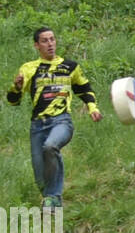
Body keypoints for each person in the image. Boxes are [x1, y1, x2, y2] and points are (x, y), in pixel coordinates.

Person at [6, 27, 103, 210]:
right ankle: (48, 200)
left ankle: (54, 197)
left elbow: (85, 89)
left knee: (50, 147)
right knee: (40, 178)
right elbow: (13, 101)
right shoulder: (29, 68)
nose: (50, 44)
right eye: (45, 41)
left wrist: (93, 108)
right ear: (37, 45)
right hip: (37, 125)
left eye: (52, 39)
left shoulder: (70, 67)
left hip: (62, 121)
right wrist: (16, 87)